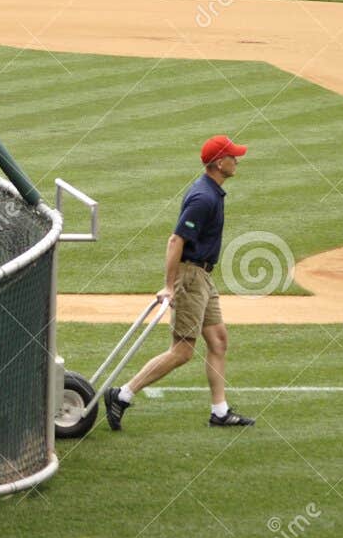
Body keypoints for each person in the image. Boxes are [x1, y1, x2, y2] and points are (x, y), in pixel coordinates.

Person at [104, 136, 257, 432]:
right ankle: (122, 395)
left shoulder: (212, 192)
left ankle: (220, 411)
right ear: (218, 163)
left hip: (203, 276)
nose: (237, 161)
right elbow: (176, 240)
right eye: (232, 157)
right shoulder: (204, 198)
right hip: (190, 277)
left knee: (218, 340)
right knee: (183, 351)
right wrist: (170, 286)